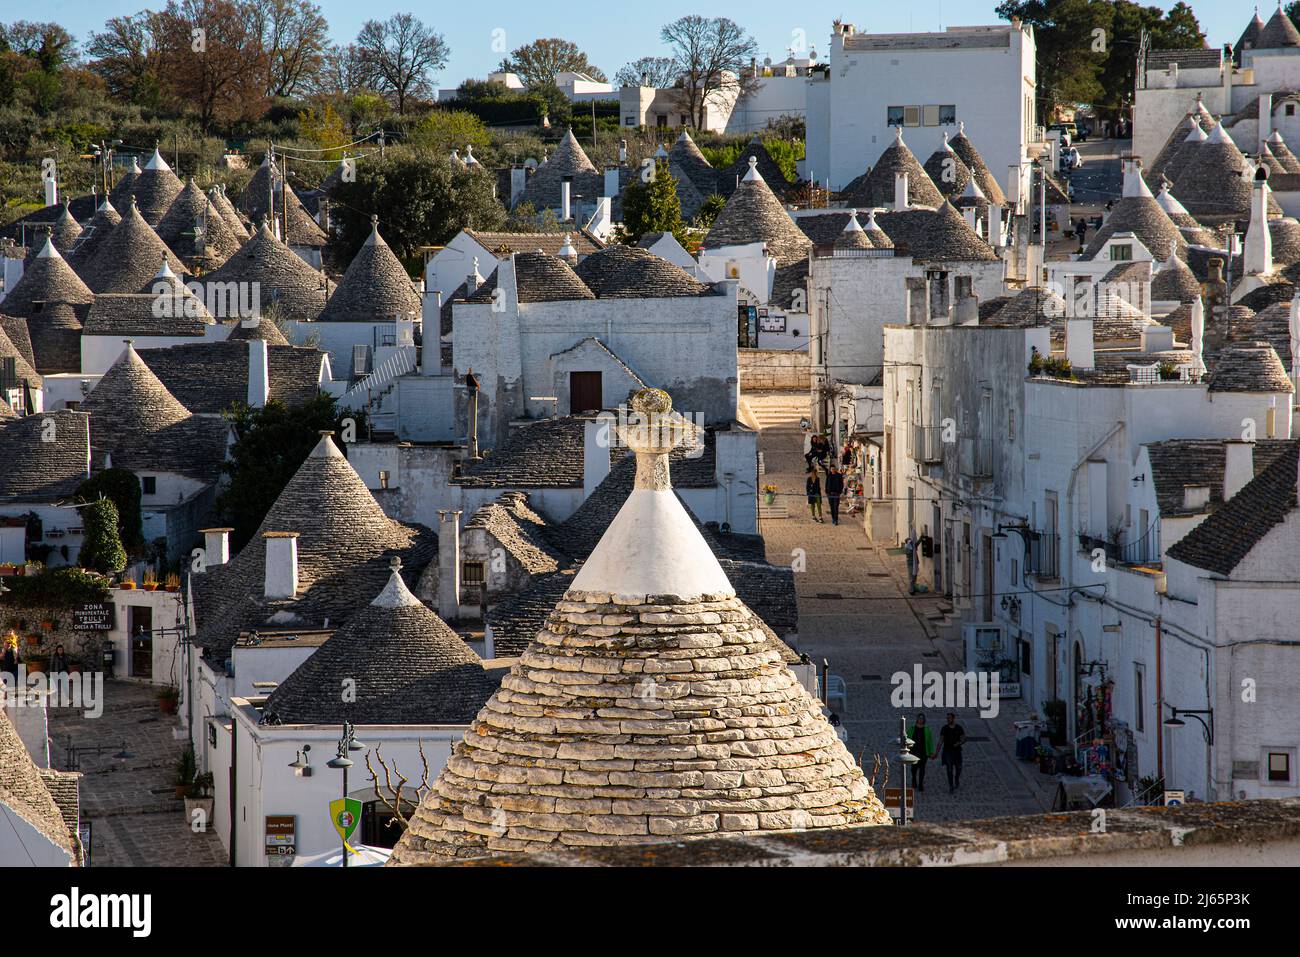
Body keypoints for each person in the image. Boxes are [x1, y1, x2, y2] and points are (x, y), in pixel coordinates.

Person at [939, 712, 967, 794]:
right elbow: (941, 740)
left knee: (959, 768)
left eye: (949, 718)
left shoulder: (959, 728)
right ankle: (951, 786)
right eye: (947, 718)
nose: (948, 719)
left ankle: (957, 778)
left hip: (957, 751)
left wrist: (958, 743)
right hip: (947, 751)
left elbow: (964, 739)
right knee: (949, 769)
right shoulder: (944, 728)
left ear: (953, 718)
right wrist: (937, 751)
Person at [908, 713, 936, 792]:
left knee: (922, 769)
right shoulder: (912, 728)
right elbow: (906, 738)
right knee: (913, 769)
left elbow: (930, 741)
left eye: (922, 718)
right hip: (913, 752)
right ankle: (914, 780)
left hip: (924, 752)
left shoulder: (927, 729)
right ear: (917, 719)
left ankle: (920, 784)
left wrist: (932, 751)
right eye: (919, 718)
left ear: (924, 720)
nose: (920, 719)